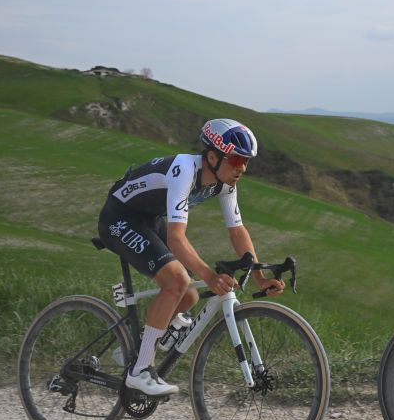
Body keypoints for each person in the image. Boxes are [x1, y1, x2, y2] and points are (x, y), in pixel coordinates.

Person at [97, 118, 285, 396]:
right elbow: (176, 237)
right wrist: (209, 276)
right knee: (176, 280)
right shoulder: (184, 170)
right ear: (212, 156)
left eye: (245, 162)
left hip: (148, 217)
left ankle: (135, 348)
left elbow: (237, 231)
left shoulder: (224, 182)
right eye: (235, 160)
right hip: (120, 216)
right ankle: (140, 371)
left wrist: (258, 276)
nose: (241, 168)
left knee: (188, 296)